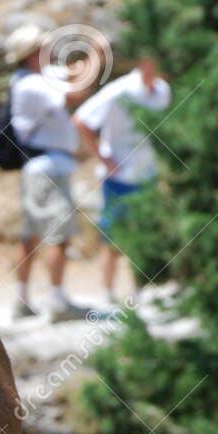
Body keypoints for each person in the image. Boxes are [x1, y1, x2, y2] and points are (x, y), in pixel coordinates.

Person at [6, 24, 87, 323]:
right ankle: (57, 301)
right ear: (31, 53)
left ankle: (22, 299)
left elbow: (71, 77)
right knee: (58, 233)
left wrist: (85, 63)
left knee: (31, 235)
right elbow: (75, 93)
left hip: (38, 168)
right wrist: (97, 56)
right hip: (49, 168)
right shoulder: (32, 84)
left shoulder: (30, 81)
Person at [74, 56, 171, 302]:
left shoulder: (162, 91)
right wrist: (104, 159)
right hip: (118, 177)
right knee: (113, 236)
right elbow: (81, 120)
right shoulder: (119, 91)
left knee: (145, 233)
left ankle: (141, 290)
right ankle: (108, 292)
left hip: (147, 175)